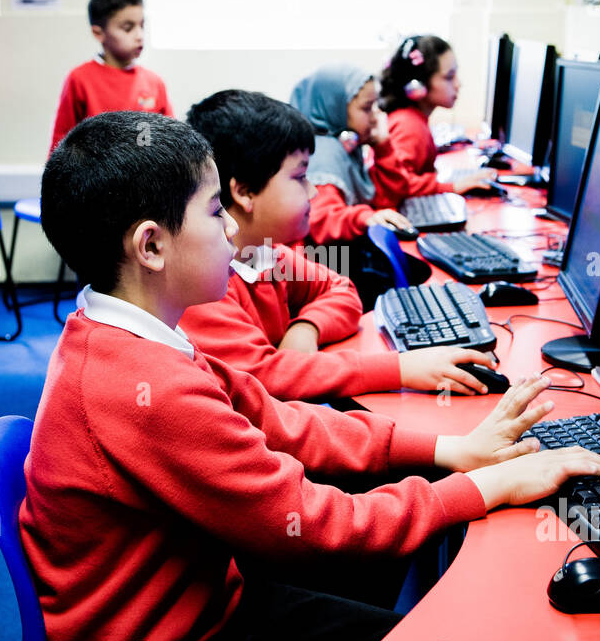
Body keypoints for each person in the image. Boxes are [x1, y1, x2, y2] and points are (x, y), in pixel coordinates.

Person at [24, 110, 600, 641]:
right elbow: (309, 522)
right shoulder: (142, 387)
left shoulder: (134, 337)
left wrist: (450, 449)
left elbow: (283, 421)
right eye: (213, 212)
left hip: (211, 608)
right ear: (151, 246)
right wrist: (486, 488)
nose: (232, 230)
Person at [180, 89, 497, 401]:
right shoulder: (204, 287)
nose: (313, 192)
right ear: (246, 192)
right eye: (300, 177)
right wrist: (400, 369)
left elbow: (340, 288)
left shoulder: (262, 254)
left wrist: (308, 326)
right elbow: (263, 378)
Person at [289, 64, 411, 244]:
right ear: (334, 107)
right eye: (367, 108)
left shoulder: (346, 148)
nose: (375, 117)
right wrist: (363, 218)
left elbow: (388, 199)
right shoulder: (325, 154)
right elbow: (321, 219)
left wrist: (383, 147)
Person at [374, 34, 495, 207]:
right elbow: (399, 185)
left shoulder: (412, 119)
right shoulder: (409, 125)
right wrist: (452, 185)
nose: (458, 84)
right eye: (449, 76)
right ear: (417, 86)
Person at [48, 0, 173, 152]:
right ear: (99, 33)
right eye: (128, 28)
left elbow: (171, 140)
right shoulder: (79, 79)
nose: (139, 35)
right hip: (94, 175)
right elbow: (61, 141)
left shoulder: (154, 82)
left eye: (142, 26)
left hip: (144, 176)